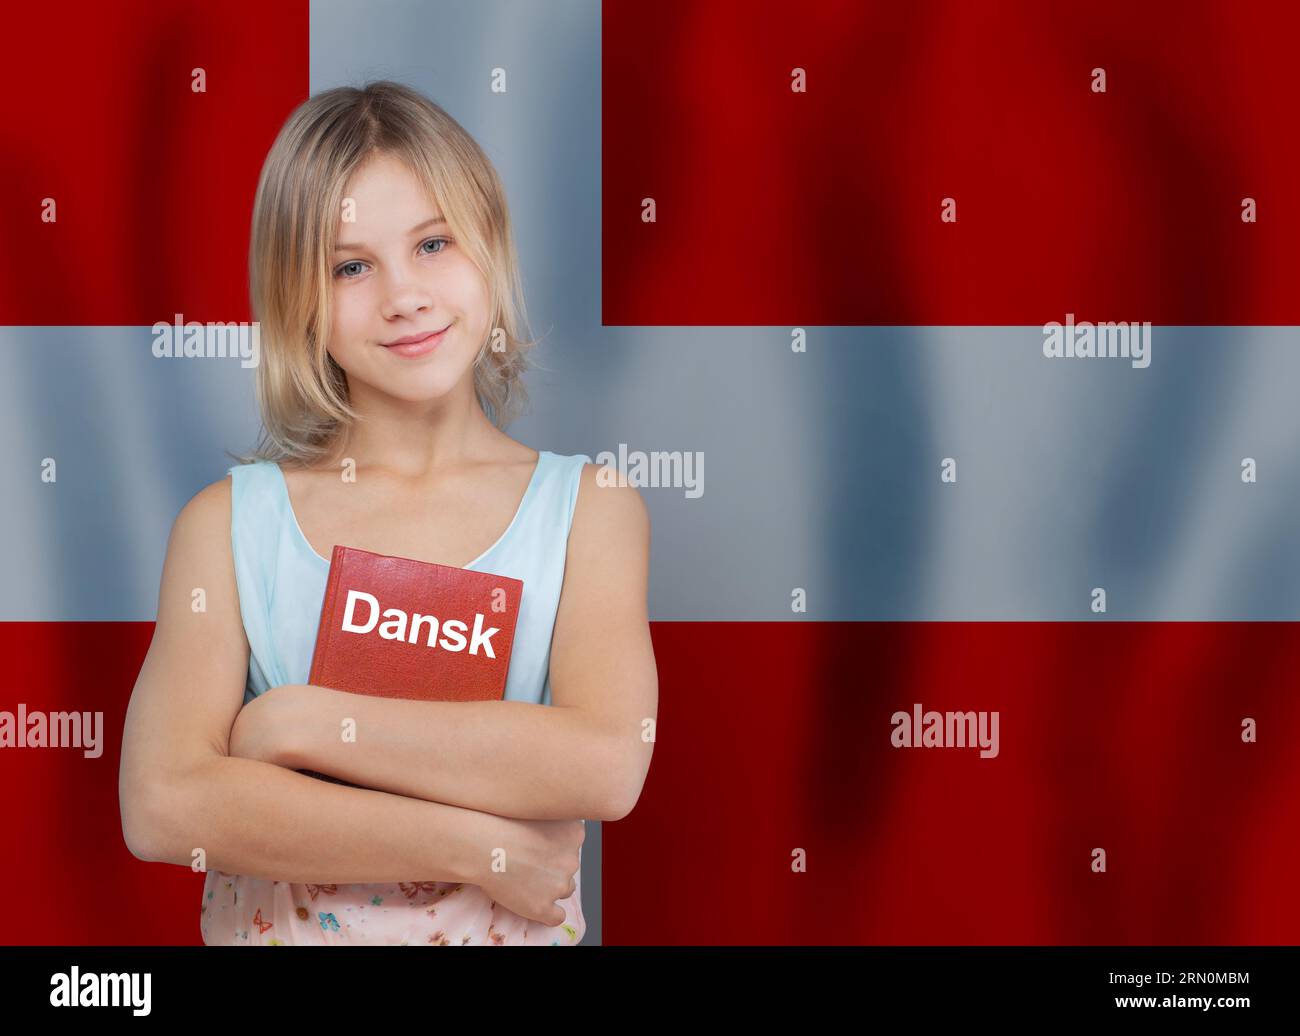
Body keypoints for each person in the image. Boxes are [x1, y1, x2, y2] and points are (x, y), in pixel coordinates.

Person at [117, 80, 657, 945]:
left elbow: (605, 761)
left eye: (434, 243)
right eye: (351, 266)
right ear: (298, 297)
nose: (403, 295)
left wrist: (297, 724)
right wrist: (476, 848)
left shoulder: (588, 510)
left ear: (491, 245)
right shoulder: (227, 527)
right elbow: (162, 803)